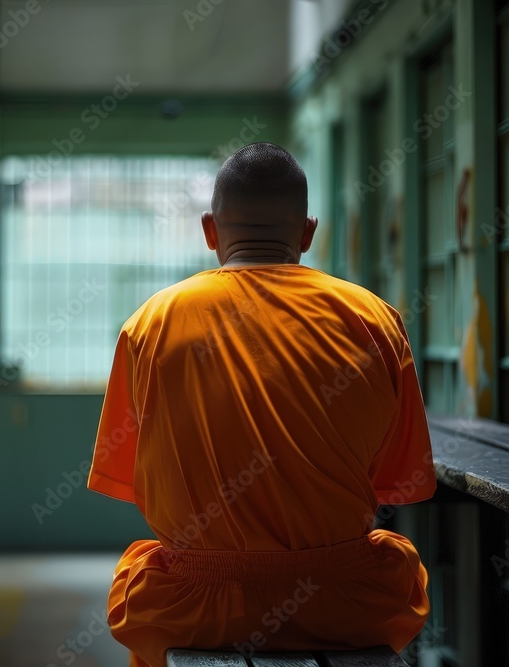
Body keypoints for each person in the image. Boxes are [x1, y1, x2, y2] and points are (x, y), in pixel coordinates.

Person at [87, 142, 435, 667]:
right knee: (396, 558)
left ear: (210, 230)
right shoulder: (375, 320)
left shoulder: (152, 323)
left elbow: (134, 480)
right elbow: (396, 483)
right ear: (308, 232)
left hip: (195, 612)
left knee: (140, 570)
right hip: (342, 606)